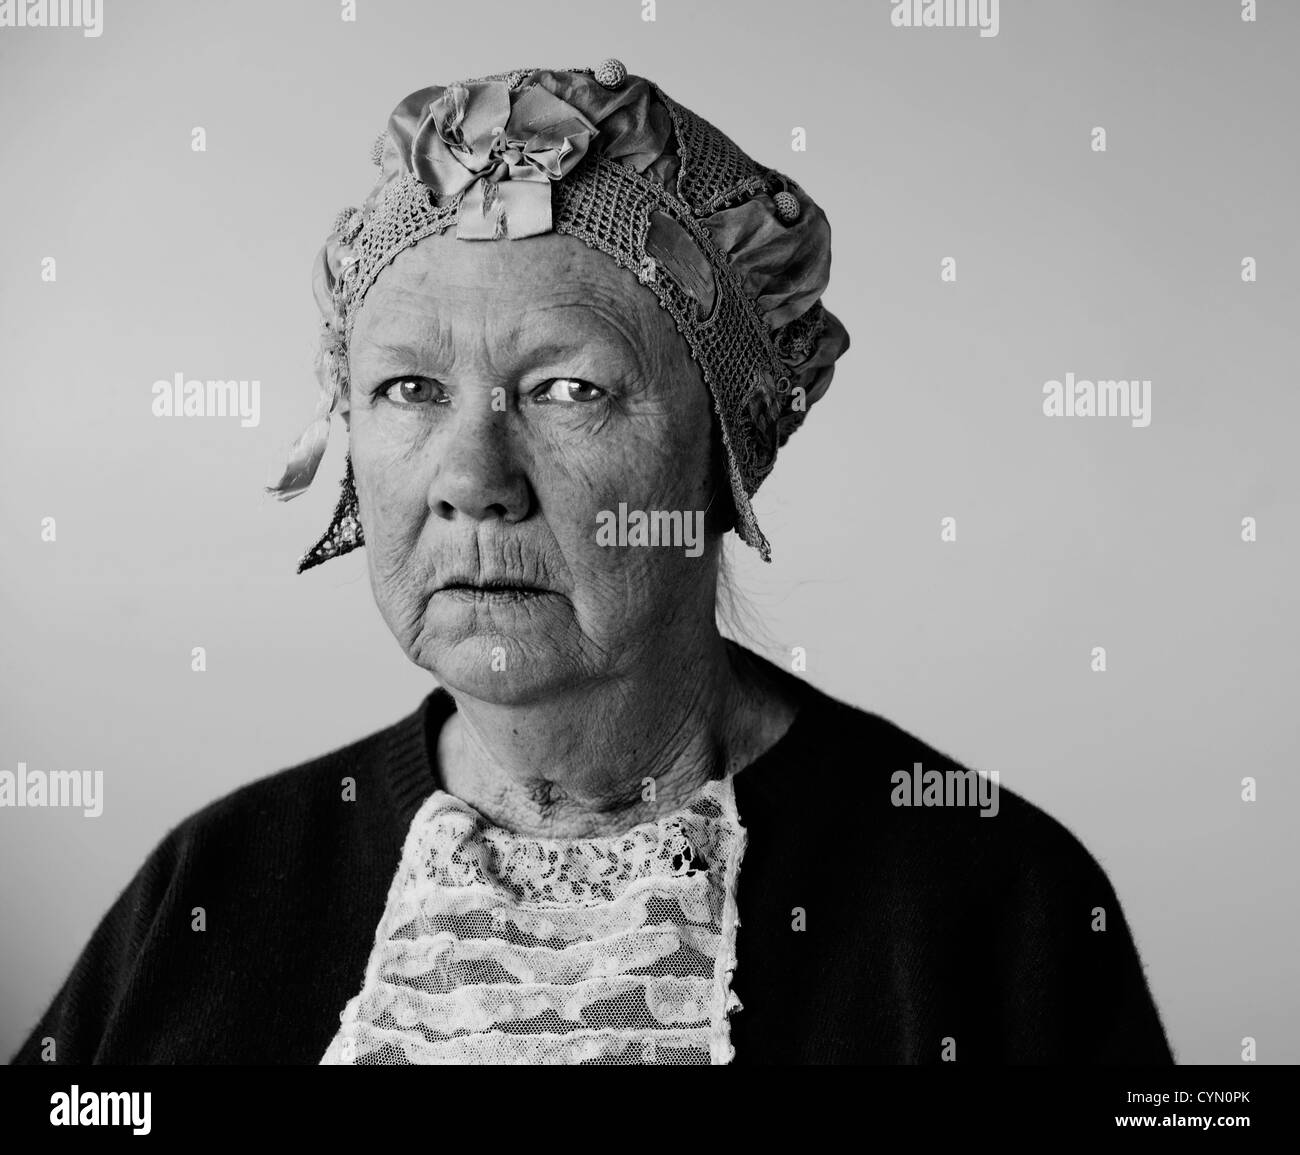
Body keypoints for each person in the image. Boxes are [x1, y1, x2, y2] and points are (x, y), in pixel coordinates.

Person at [11, 61, 1172, 1065]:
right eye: (409, 389)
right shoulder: (215, 888)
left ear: (723, 450)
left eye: (568, 389)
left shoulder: (989, 901)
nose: (474, 477)